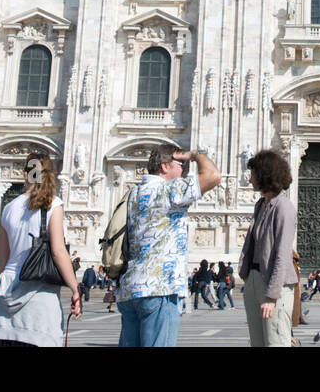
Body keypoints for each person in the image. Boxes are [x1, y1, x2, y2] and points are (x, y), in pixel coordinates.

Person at [117, 145, 220, 347]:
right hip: (159, 288)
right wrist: (196, 155)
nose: (184, 170)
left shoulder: (134, 194)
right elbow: (213, 175)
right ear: (164, 166)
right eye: (181, 165)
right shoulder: (169, 190)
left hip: (129, 289)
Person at [0, 153, 82, 347]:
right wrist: (75, 288)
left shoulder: (9, 207)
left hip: (6, 294)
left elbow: (2, 260)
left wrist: (6, 286)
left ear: (26, 174)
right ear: (48, 174)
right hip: (38, 295)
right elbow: (58, 251)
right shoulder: (53, 204)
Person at [237, 149, 297, 348]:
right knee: (258, 343)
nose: (250, 178)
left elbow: (282, 254)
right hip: (254, 278)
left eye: (253, 173)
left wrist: (272, 296)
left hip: (273, 285)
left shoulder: (283, 207)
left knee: (276, 341)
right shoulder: (261, 204)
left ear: (264, 174)